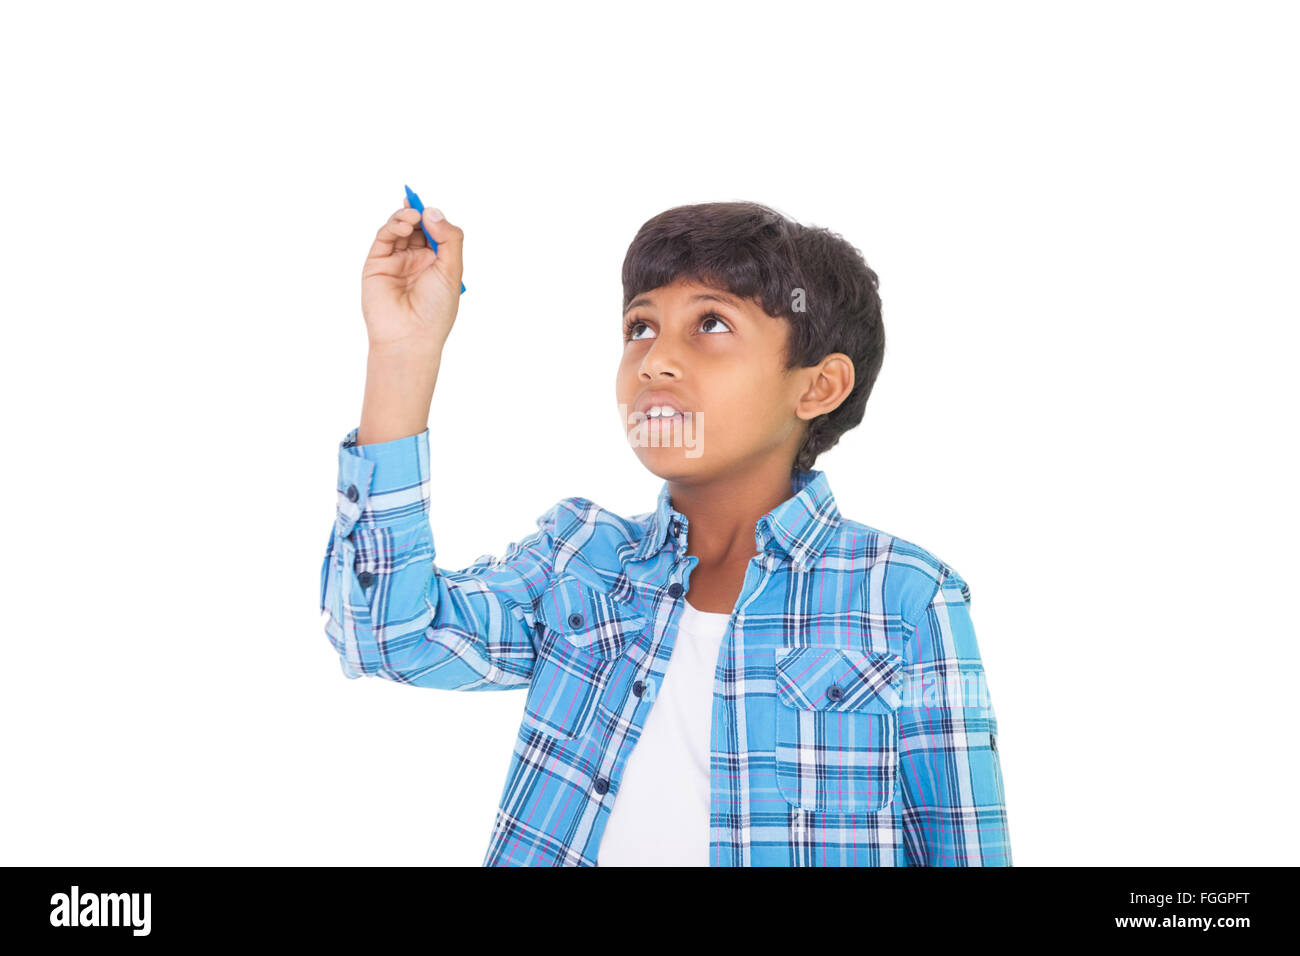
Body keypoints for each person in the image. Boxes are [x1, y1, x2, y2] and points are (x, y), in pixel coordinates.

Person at [319, 198, 1012, 867]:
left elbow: (962, 844)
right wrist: (402, 353)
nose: (654, 361)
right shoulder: (582, 560)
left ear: (818, 387)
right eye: (640, 328)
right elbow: (383, 634)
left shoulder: (908, 599)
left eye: (711, 325)